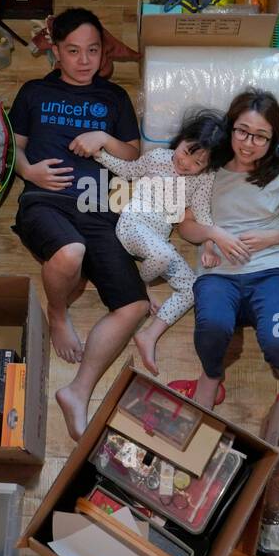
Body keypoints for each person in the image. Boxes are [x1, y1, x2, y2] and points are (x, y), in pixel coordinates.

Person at [8, 8, 150, 440]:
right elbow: (9, 147)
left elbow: (133, 155)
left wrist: (104, 139)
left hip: (99, 210)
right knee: (70, 254)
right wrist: (30, 173)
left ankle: (77, 391)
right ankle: (57, 312)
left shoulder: (114, 98)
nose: (84, 60)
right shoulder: (34, 91)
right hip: (45, 202)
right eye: (73, 51)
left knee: (136, 305)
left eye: (93, 50)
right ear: (56, 49)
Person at [177, 89, 279, 409]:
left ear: (273, 139)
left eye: (260, 137)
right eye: (242, 131)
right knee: (211, 329)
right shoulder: (208, 169)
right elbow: (186, 227)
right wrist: (215, 233)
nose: (248, 144)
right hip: (218, 274)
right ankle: (210, 375)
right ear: (231, 127)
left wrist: (270, 238)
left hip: (267, 273)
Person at [94, 109, 231, 375]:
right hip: (133, 224)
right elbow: (129, 170)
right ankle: (140, 284)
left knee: (192, 288)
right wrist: (100, 155)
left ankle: (149, 335)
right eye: (187, 151)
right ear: (180, 140)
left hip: (159, 240)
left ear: (207, 167)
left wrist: (211, 245)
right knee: (163, 257)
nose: (186, 163)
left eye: (198, 163)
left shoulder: (203, 180)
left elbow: (203, 214)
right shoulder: (158, 157)